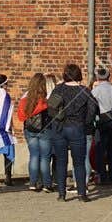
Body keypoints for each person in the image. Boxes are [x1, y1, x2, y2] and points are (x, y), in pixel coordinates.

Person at [48, 64, 97, 201]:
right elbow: (92, 110)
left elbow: (50, 108)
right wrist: (84, 123)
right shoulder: (85, 91)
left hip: (59, 128)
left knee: (61, 162)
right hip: (77, 128)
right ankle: (82, 194)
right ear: (79, 74)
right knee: (79, 162)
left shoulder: (58, 89)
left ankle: (61, 194)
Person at [16, 73, 53, 192]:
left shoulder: (25, 98)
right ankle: (47, 184)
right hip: (45, 130)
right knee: (45, 157)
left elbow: (21, 116)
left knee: (34, 155)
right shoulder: (45, 98)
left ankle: (33, 183)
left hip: (30, 130)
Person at [90, 66, 112, 185]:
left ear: (98, 77)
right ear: (109, 76)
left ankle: (102, 176)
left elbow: (91, 107)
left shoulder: (95, 91)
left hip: (101, 122)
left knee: (100, 149)